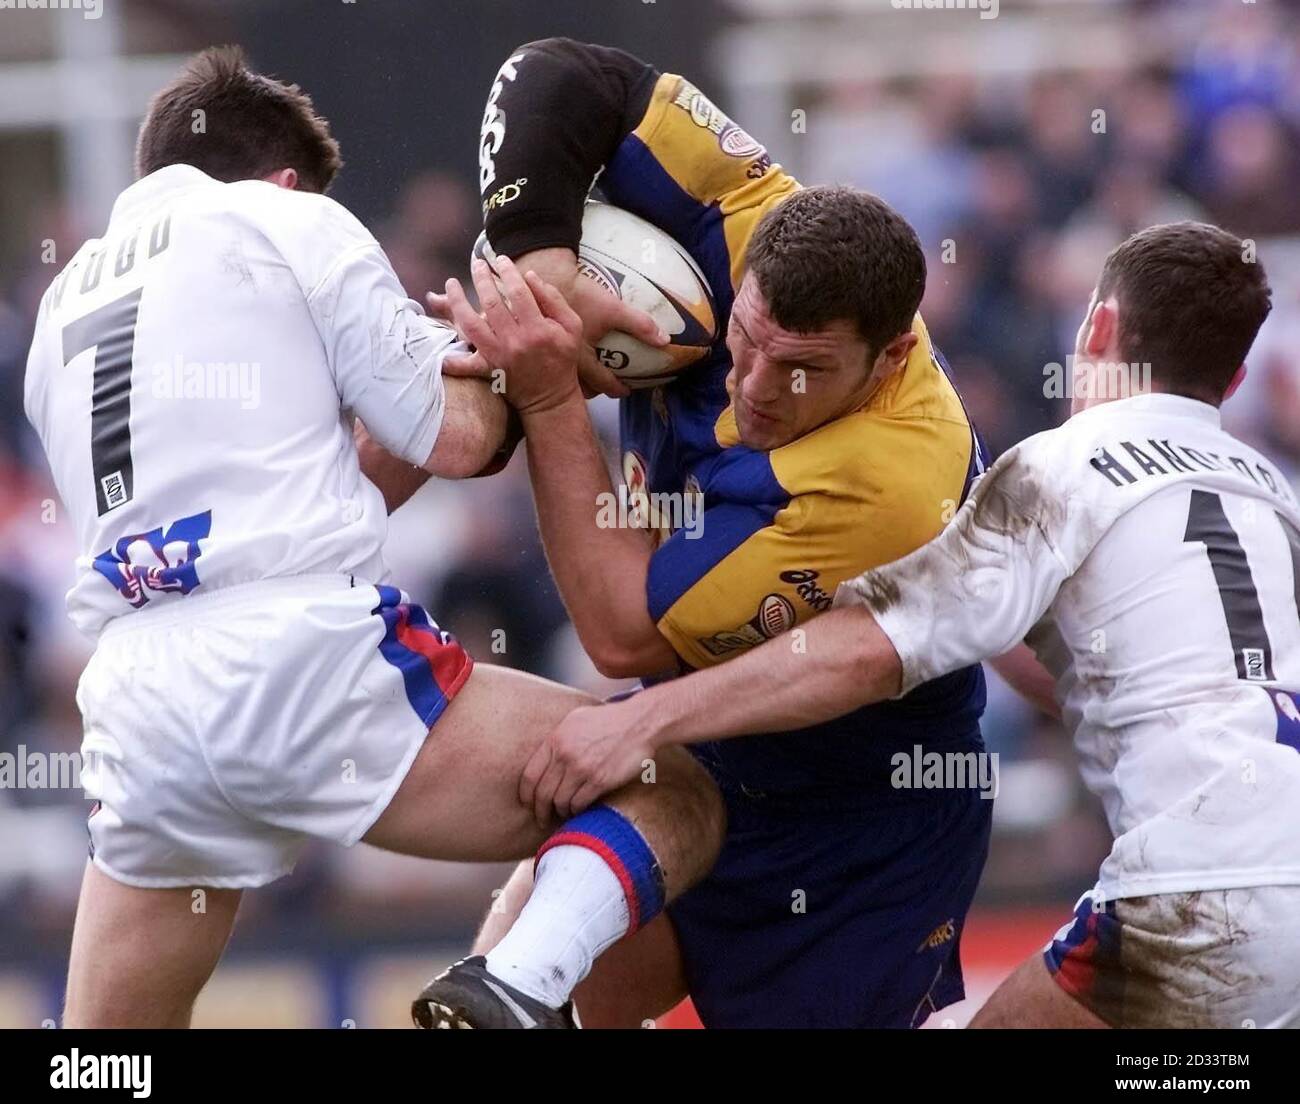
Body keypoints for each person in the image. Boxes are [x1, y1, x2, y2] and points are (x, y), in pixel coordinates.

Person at [24, 46, 723, 1030]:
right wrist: (531, 352)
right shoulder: (289, 218)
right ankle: (510, 988)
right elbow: (460, 433)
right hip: (298, 653)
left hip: (138, 700)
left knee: (103, 1055)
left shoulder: (57, 305)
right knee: (664, 781)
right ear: (281, 178)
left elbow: (301, 486)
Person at [532, 221, 1300, 1029]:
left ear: (1098, 327)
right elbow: (1093, 675)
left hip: (1196, 886)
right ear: (1236, 375)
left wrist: (646, 718)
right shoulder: (1275, 499)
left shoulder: (1064, 465)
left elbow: (865, 653)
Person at [435, 37, 993, 1029]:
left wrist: (551, 387)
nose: (755, 389)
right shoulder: (746, 209)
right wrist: (540, 258)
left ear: (891, 353)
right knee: (517, 1002)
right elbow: (558, 74)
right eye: (747, 341)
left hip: (862, 822)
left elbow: (616, 626)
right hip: (694, 760)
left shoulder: (888, 479)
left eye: (804, 370)